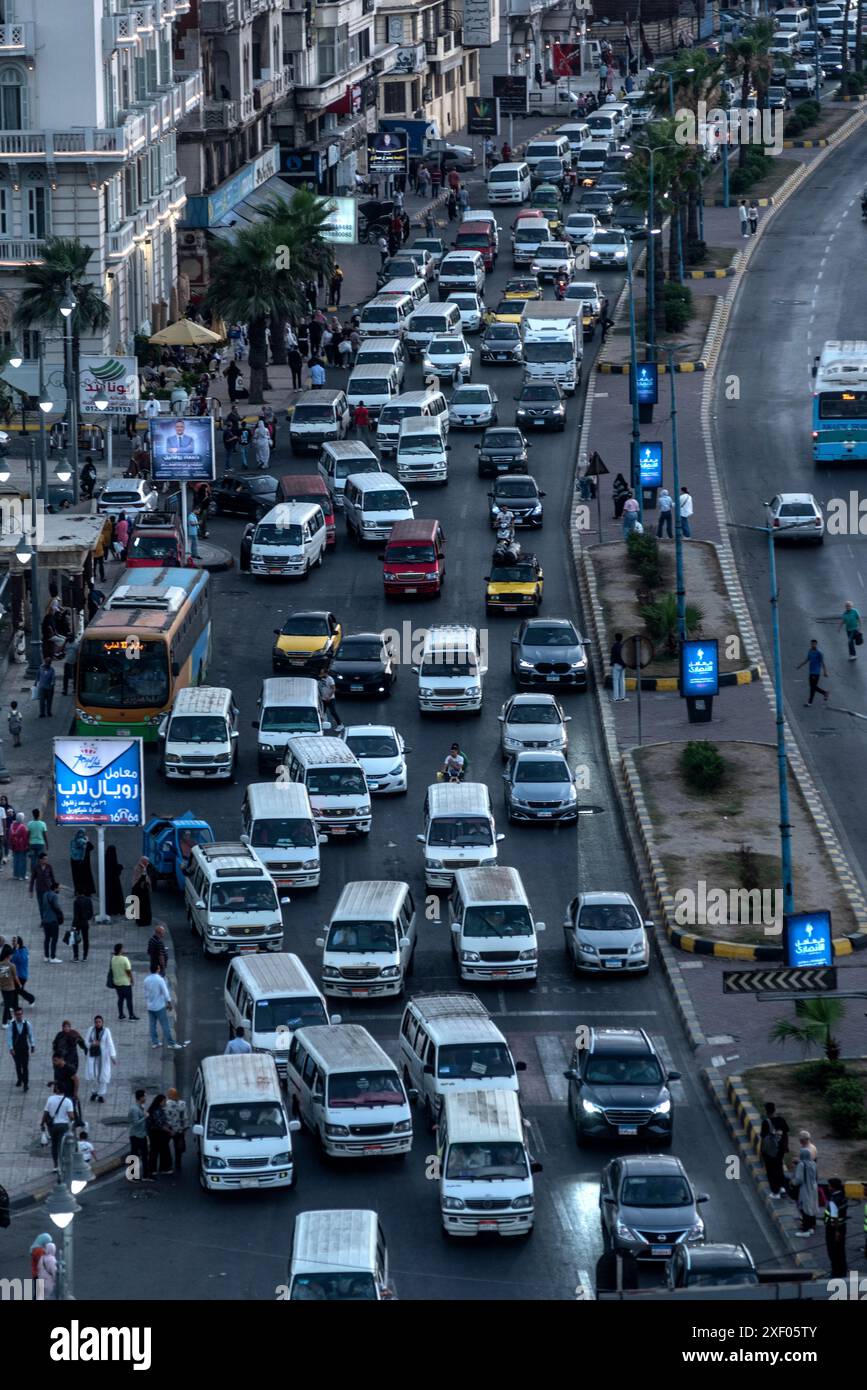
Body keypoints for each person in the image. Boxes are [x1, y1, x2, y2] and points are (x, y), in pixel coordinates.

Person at [143, 963, 183, 1050]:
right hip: (159, 1007)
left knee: (152, 1025)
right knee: (165, 1025)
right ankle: (171, 1043)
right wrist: (169, 1003)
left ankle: (155, 1042)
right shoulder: (160, 980)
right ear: (157, 969)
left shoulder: (146, 980)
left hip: (150, 1006)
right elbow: (165, 992)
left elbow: (145, 994)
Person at [760, 1100, 789, 1198]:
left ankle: (775, 1191)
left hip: (770, 1151)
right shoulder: (781, 1120)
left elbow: (763, 1138)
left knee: (771, 1171)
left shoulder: (766, 1122)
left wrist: (762, 1151)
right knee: (779, 1168)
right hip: (780, 1149)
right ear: (774, 1110)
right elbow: (785, 1134)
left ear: (766, 1111)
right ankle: (782, 1187)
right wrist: (785, 1147)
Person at [42, 1084, 75, 1169]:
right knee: (63, 1145)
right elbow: (71, 1116)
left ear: (57, 1090)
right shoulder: (68, 1101)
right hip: (64, 1126)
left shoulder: (50, 1099)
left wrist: (42, 1122)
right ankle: (63, 1163)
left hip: (53, 1126)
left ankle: (55, 1165)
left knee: (54, 1145)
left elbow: (46, 1112)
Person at [85, 1015, 116, 1103]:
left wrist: (112, 1056)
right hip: (93, 1056)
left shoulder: (106, 1031)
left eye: (99, 1022)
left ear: (102, 1022)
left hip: (103, 1057)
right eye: (96, 1022)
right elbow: (86, 1041)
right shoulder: (90, 1030)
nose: (98, 1023)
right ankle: (94, 1092)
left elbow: (110, 1043)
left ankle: (101, 1094)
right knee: (93, 1075)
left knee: (103, 1076)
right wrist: (92, 1044)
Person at [792, 1145, 820, 1235]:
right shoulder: (813, 1164)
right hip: (813, 1188)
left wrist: (793, 1182)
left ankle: (806, 1229)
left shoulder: (801, 1165)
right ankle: (812, 1226)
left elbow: (799, 1180)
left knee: (804, 1208)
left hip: (804, 1189)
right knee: (812, 1206)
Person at [824, 1179, 848, 1277]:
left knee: (833, 1251)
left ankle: (835, 1272)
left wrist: (836, 1232)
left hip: (833, 1229)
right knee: (841, 1251)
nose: (828, 1188)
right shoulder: (843, 1197)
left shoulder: (834, 1200)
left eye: (829, 1186)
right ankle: (842, 1271)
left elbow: (834, 1217)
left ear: (833, 1187)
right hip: (843, 1227)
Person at [7, 1007, 35, 1091]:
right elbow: (9, 1038)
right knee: (18, 1065)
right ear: (15, 1015)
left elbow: (30, 1035)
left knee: (25, 1066)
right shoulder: (11, 1025)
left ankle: (25, 1083)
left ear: (22, 1014)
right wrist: (11, 1048)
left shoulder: (27, 1024)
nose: (19, 1016)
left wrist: (32, 1045)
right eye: (17, 1014)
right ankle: (20, 1079)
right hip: (16, 1049)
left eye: (20, 1014)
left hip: (24, 1048)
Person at [146, 1094, 174, 1176]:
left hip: (158, 1134)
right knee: (158, 1151)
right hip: (156, 1134)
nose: (165, 1103)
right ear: (160, 1102)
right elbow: (159, 1124)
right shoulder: (156, 1111)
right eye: (164, 1101)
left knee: (159, 1151)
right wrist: (169, 1131)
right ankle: (158, 1169)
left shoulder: (158, 1109)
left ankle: (156, 1169)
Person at [797, 639, 829, 706]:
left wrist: (825, 672)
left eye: (814, 644)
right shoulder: (810, 651)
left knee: (812, 687)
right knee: (812, 686)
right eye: (812, 644)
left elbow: (822, 662)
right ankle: (825, 693)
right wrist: (800, 665)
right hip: (811, 672)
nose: (813, 645)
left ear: (816, 644)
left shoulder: (819, 653)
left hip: (816, 672)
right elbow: (807, 660)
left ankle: (810, 702)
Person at [110, 943, 137, 1021]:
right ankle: (131, 1015)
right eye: (123, 948)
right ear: (120, 950)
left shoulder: (113, 959)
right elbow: (128, 971)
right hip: (125, 982)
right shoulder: (124, 959)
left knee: (120, 998)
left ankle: (121, 1014)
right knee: (129, 999)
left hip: (117, 982)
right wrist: (132, 979)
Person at [164, 1087, 188, 1172]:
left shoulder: (167, 1104)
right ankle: (178, 1165)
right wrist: (184, 1130)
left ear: (170, 1095)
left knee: (165, 1147)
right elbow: (185, 1118)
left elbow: (165, 1118)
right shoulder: (183, 1104)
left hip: (169, 1130)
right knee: (178, 1149)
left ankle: (167, 1165)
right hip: (179, 1130)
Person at [128, 1088, 149, 1179]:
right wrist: (145, 1117)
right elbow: (135, 1123)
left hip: (141, 1134)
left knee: (143, 1154)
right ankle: (133, 1175)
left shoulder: (141, 1107)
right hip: (136, 1135)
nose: (146, 1097)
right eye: (144, 1096)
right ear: (140, 1097)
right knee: (136, 1155)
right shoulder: (134, 1109)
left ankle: (144, 1174)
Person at [40, 886, 64, 964]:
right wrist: (60, 911)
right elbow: (56, 906)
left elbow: (42, 906)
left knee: (47, 939)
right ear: (55, 888)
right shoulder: (54, 896)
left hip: (45, 920)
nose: (60, 889)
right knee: (54, 939)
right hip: (53, 920)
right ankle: (53, 957)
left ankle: (46, 956)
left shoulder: (44, 895)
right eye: (59, 888)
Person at [69, 829, 96, 896]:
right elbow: (91, 847)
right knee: (86, 877)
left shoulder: (74, 841)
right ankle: (86, 892)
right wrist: (87, 841)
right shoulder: (85, 842)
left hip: (75, 863)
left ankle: (78, 891)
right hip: (84, 863)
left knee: (77, 878)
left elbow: (72, 852)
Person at [129, 856, 152, 928]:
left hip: (144, 893)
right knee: (140, 907)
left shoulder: (146, 867)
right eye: (146, 862)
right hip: (139, 892)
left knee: (145, 907)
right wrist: (144, 871)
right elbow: (139, 879)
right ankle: (141, 921)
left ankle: (146, 921)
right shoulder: (138, 869)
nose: (147, 863)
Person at [0, 945, 21, 1023]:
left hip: (2, 987)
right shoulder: (12, 966)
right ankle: (4, 1022)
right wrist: (20, 985)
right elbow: (15, 977)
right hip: (10, 988)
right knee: (7, 1006)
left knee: (7, 1003)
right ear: (8, 956)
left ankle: (9, 1018)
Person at [71, 891, 93, 962]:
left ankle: (76, 956)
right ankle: (85, 956)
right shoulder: (88, 900)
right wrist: (87, 918)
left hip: (77, 923)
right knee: (85, 939)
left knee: (75, 940)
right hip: (85, 922)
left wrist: (73, 925)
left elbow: (75, 914)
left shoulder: (76, 901)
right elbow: (91, 912)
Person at [11, 937, 33, 1004]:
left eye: (14, 941)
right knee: (17, 990)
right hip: (15, 974)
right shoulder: (14, 949)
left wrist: (17, 950)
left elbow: (20, 960)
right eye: (12, 941)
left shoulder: (23, 951)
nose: (12, 942)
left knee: (16, 990)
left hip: (21, 975)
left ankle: (31, 998)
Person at [105, 844, 125, 916]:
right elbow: (115, 869)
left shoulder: (106, 858)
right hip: (114, 881)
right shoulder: (112, 858)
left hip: (108, 882)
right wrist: (120, 867)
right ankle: (117, 910)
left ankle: (110, 910)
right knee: (117, 896)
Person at [610, 631, 628, 703]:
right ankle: (622, 697)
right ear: (621, 639)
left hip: (616, 665)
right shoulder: (623, 646)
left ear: (615, 638)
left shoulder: (614, 646)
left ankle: (615, 697)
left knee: (615, 681)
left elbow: (613, 656)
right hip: (623, 665)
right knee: (622, 680)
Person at [10, 814, 28, 880]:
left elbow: (10, 836)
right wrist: (26, 846)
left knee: (15, 860)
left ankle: (15, 875)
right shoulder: (22, 827)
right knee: (22, 861)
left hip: (14, 845)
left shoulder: (12, 826)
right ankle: (21, 876)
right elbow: (25, 838)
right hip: (21, 846)